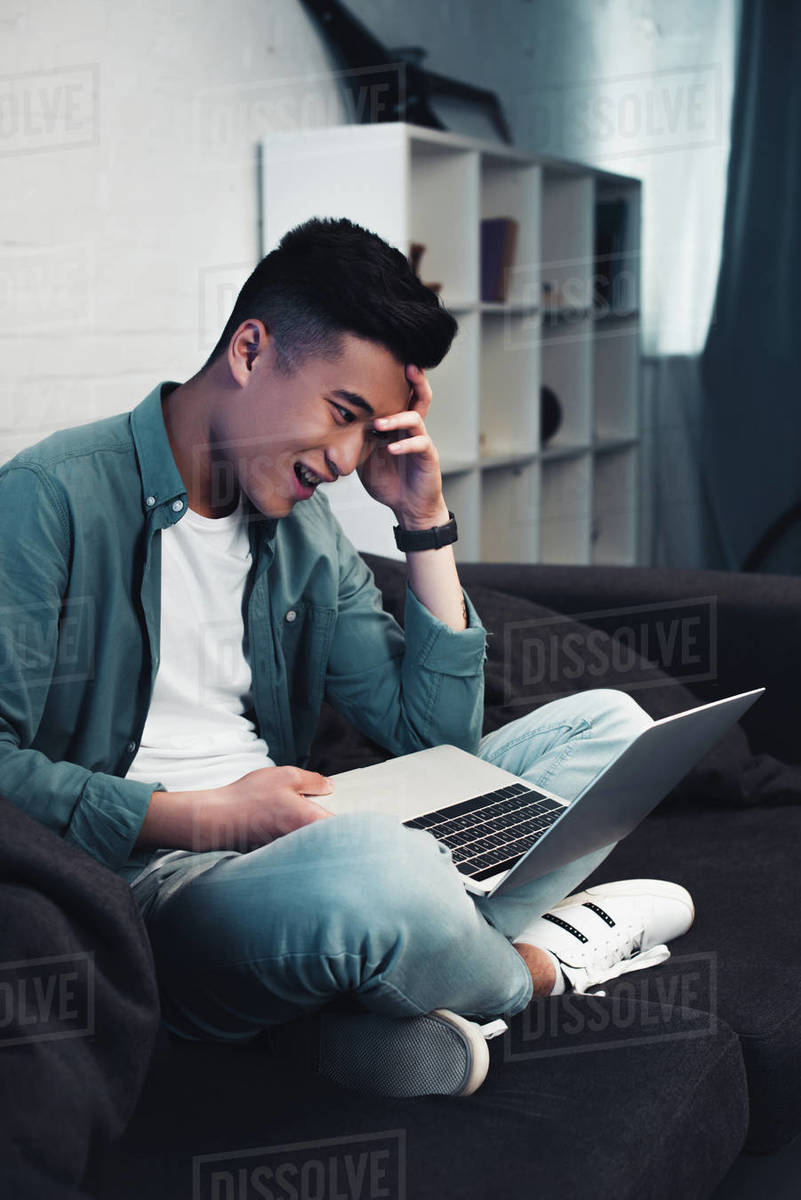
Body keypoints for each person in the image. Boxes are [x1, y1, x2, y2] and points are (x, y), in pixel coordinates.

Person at [0, 216, 693, 1099]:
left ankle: (336, 1011)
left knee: (613, 730)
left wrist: (420, 524)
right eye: (343, 414)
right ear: (250, 350)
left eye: (371, 432)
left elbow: (436, 744)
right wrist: (209, 817)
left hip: (299, 843)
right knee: (382, 867)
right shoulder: (48, 498)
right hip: (155, 886)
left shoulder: (307, 534)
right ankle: (538, 966)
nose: (343, 459)